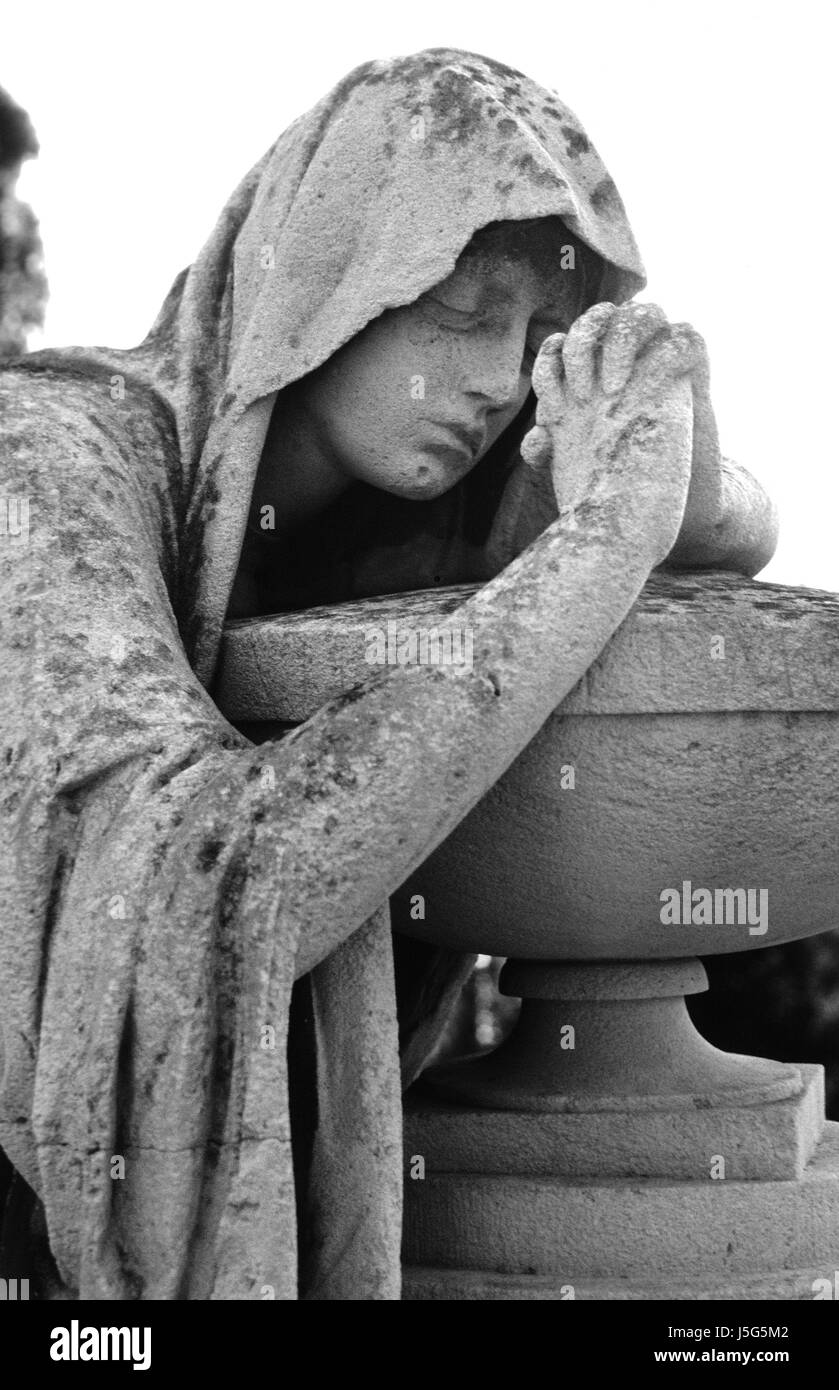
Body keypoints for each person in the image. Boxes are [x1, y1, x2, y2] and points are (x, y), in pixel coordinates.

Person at [0, 47, 777, 1300]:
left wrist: (676, 468)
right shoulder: (40, 462)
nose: (491, 381)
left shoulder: (401, 535)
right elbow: (205, 879)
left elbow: (737, 527)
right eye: (463, 309)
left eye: (535, 337)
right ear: (325, 277)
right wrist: (595, 543)